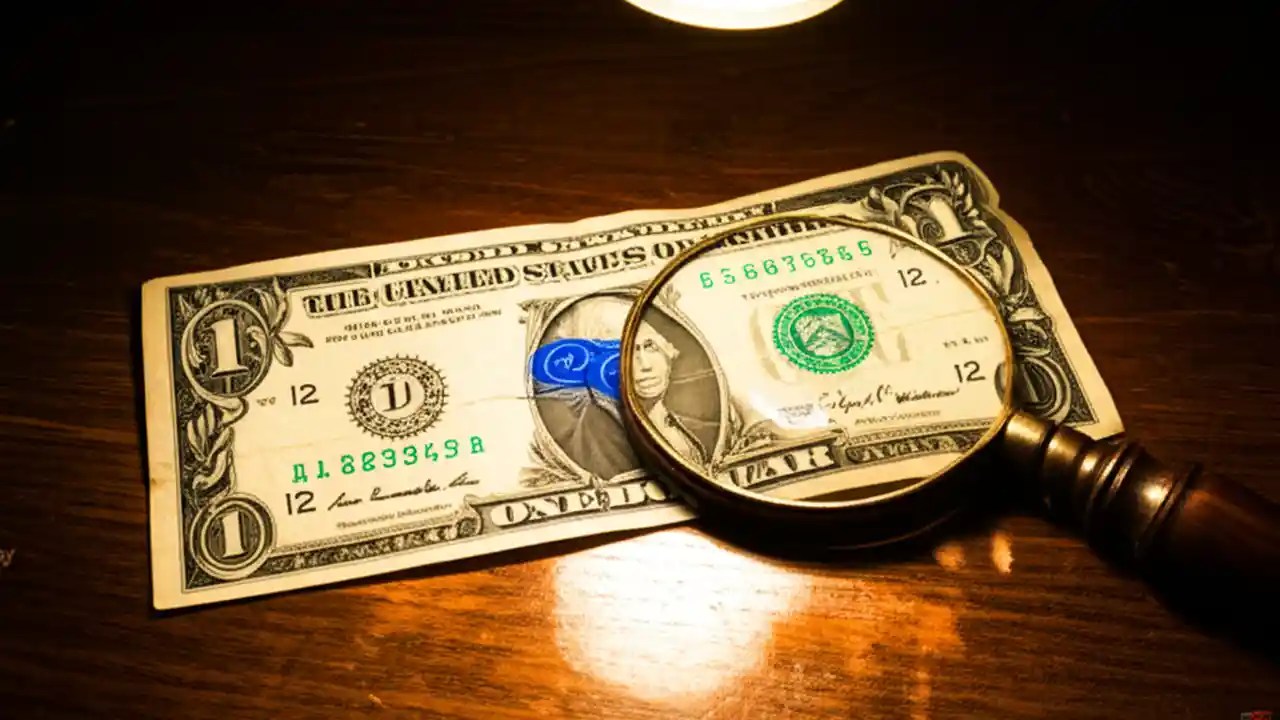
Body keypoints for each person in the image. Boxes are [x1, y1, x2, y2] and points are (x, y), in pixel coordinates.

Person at [534, 295, 712, 481]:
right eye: (622, 353)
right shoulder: (602, 436)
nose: (644, 364)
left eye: (650, 346)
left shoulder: (686, 424)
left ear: (669, 351)